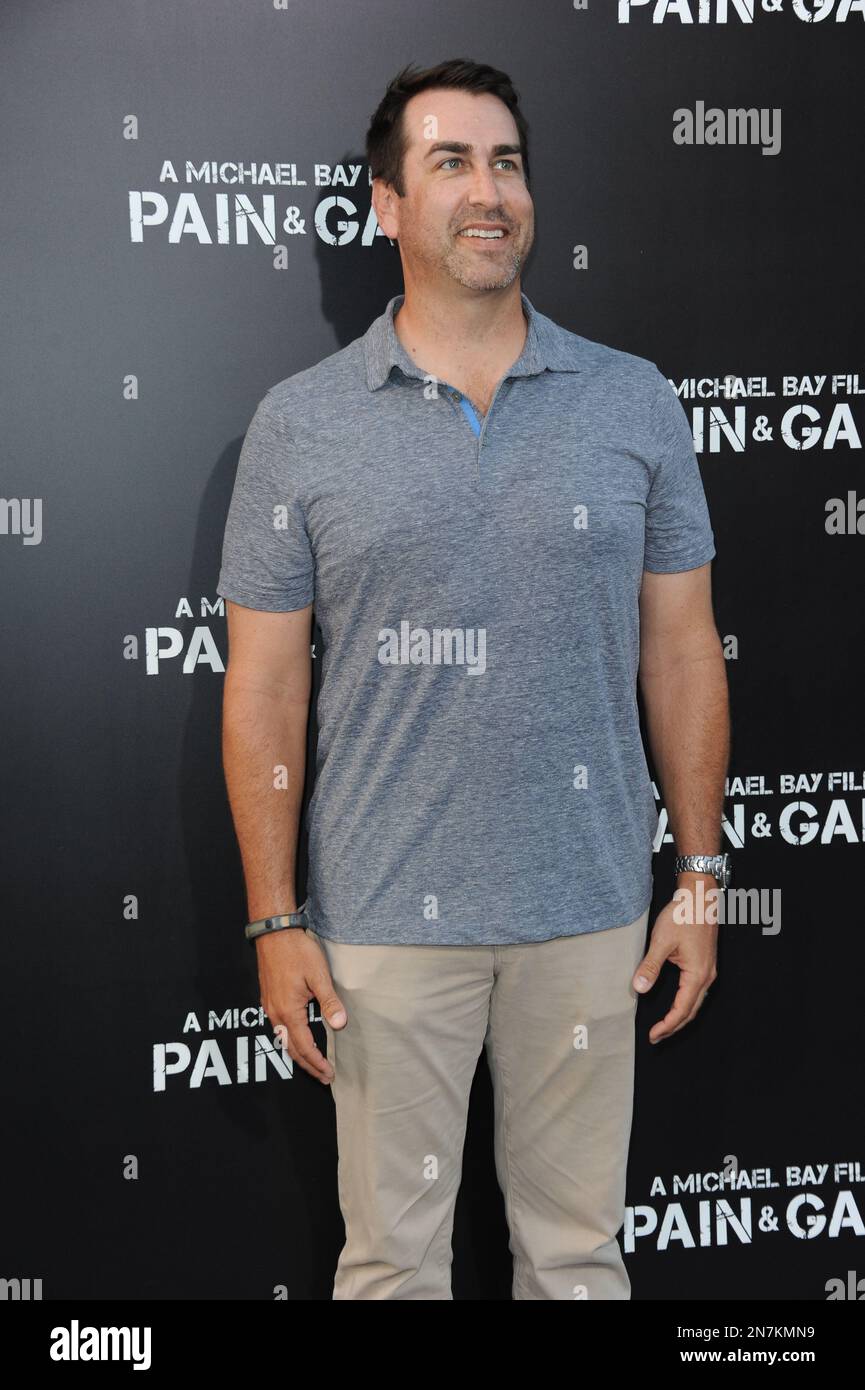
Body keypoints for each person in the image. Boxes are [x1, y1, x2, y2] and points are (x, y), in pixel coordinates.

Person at [217, 58, 730, 1300]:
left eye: (505, 161)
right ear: (387, 206)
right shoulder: (302, 423)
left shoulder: (633, 401)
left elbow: (681, 650)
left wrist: (701, 875)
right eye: (449, 162)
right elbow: (267, 688)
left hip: (591, 913)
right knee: (393, 1267)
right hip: (384, 929)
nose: (487, 190)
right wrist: (275, 918)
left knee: (576, 1259)